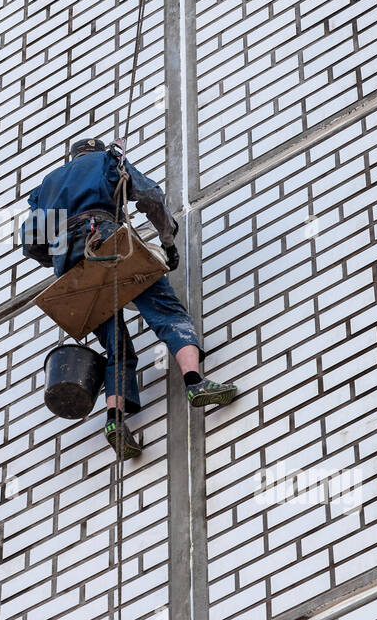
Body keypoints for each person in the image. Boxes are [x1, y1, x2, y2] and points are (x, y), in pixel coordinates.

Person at [21, 136, 238, 459]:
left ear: (72, 157)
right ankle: (195, 383)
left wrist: (63, 255)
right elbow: (150, 196)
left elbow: (32, 243)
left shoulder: (47, 186)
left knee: (117, 349)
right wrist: (167, 242)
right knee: (169, 315)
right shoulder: (107, 161)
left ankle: (114, 420)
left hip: (69, 264)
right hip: (107, 241)